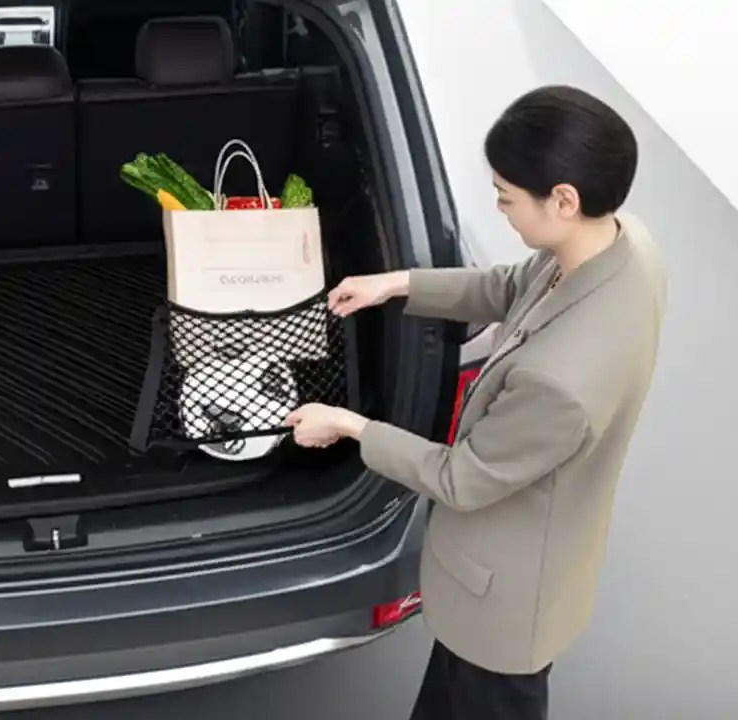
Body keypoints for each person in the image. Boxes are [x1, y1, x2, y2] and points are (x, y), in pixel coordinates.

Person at [285, 84, 666, 720]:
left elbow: (460, 479)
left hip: (508, 600)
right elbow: (514, 285)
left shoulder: (559, 381)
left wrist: (351, 426)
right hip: (524, 573)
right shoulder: (622, 248)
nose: (499, 210)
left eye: (507, 198)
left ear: (563, 200)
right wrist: (397, 284)